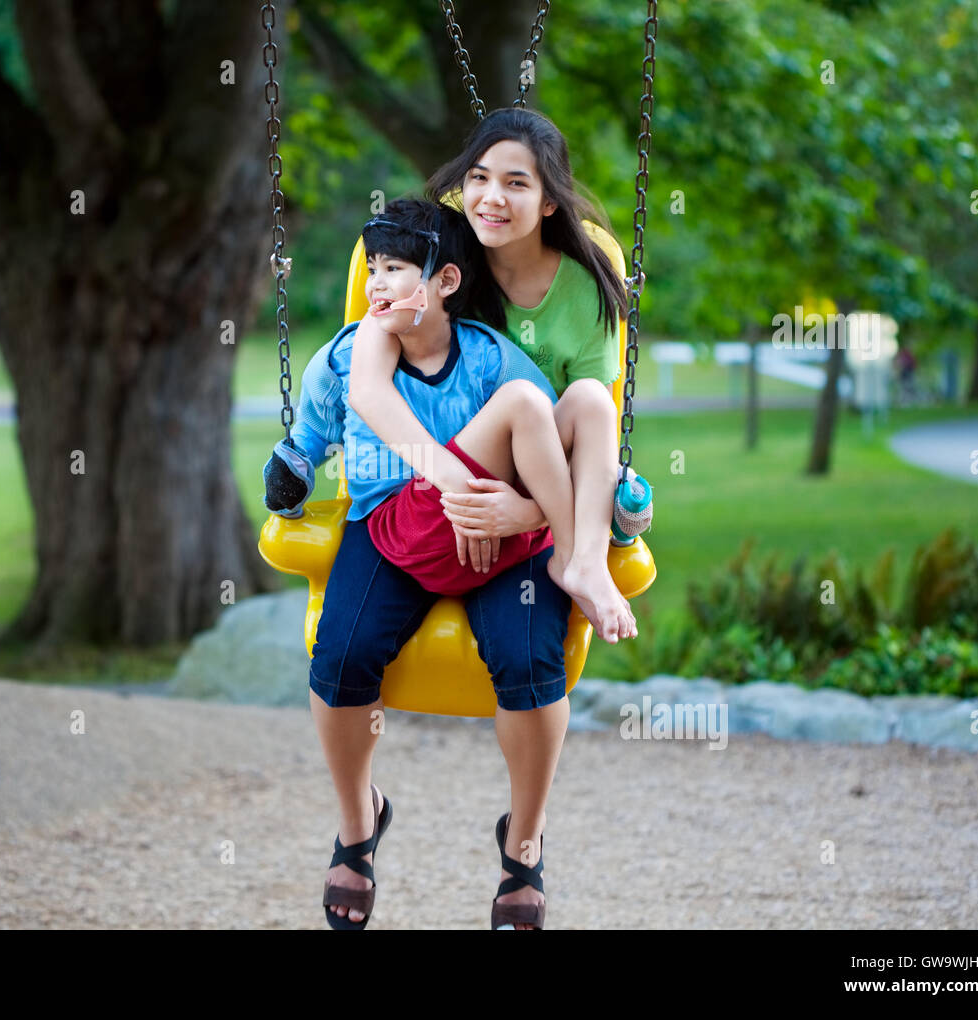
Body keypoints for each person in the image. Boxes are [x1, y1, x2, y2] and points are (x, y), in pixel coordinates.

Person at [262, 197, 579, 930]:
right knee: (339, 657)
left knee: (530, 662)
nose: (377, 284)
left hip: (492, 531)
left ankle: (523, 846)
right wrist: (295, 468)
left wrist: (528, 509)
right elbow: (312, 434)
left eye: (396, 270)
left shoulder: (493, 360)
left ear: (443, 282)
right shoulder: (346, 356)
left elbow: (553, 448)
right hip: (385, 525)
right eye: (372, 268)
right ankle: (356, 826)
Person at [350, 107, 640, 647]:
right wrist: (462, 489)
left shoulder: (585, 290)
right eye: (479, 178)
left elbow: (591, 442)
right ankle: (571, 552)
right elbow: (367, 385)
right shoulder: (444, 258)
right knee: (522, 399)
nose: (491, 198)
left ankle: (586, 564)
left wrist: (528, 513)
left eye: (515, 183)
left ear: (549, 200)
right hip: (444, 475)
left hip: (542, 485)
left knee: (594, 403)